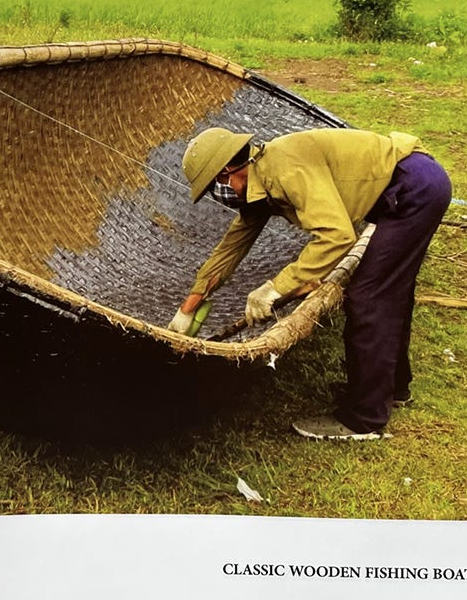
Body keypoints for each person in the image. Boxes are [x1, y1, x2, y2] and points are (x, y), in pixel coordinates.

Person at [168, 125, 451, 441]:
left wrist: (275, 288)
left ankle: (364, 419)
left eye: (213, 188)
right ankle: (391, 387)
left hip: (415, 188)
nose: (218, 196)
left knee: (369, 297)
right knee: (389, 291)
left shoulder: (284, 169)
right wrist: (188, 309)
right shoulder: (258, 186)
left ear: (226, 174)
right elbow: (230, 249)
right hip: (408, 188)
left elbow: (337, 235)